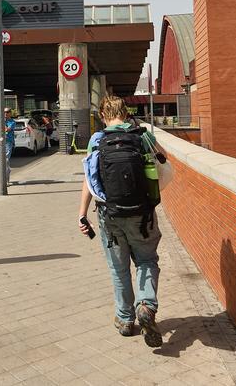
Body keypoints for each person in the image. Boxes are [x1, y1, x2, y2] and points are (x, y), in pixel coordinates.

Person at [77, 95, 163, 347]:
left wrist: (82, 213)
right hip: (142, 215)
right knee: (147, 260)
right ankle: (146, 305)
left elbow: (89, 180)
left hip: (109, 214)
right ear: (126, 113)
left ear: (103, 116)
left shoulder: (97, 140)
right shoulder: (143, 136)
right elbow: (163, 165)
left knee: (119, 268)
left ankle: (125, 320)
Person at [0, 107, 16, 185]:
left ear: (10, 113)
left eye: (7, 112)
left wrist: (3, 123)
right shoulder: (0, 122)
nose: (5, 114)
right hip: (0, 142)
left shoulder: (12, 122)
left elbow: (7, 129)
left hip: (8, 142)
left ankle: (5, 181)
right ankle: (7, 172)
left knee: (5, 160)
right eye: (4, 112)